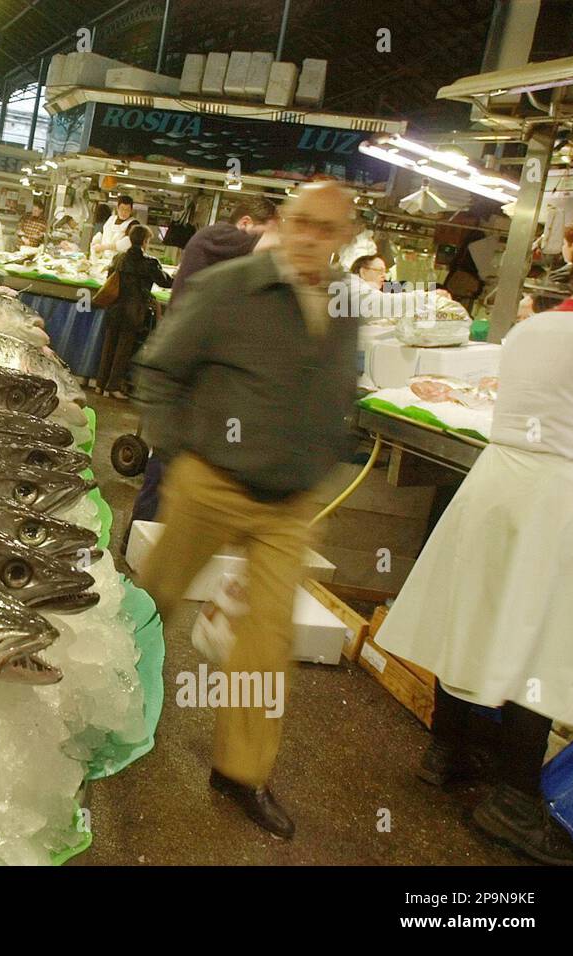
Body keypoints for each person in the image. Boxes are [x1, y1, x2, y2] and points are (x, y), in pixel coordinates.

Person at [133, 181, 360, 839]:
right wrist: (176, 449)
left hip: (288, 503)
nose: (312, 237)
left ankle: (240, 773)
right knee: (154, 601)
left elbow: (334, 387)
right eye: (302, 223)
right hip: (211, 480)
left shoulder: (346, 300)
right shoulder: (230, 286)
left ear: (345, 234)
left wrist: (317, 466)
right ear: (284, 222)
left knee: (265, 639)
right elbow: (160, 370)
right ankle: (103, 710)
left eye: (327, 228)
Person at [374, 259, 573, 866]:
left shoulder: (531, 331)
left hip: (500, 488)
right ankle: (515, 802)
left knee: (480, 615)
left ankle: (450, 750)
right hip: (561, 505)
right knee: (541, 642)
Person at [126, 195, 280, 535]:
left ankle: (151, 542)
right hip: (185, 379)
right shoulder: (214, 237)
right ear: (244, 225)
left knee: (183, 471)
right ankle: (137, 544)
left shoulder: (231, 261)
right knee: (165, 466)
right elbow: (273, 244)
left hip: (206, 381)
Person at [95, 224, 170, 399]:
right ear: (145, 241)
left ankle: (100, 385)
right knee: (123, 348)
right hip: (133, 310)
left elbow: (109, 279)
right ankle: (113, 387)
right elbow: (165, 282)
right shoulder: (150, 263)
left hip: (114, 307)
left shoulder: (118, 258)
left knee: (109, 346)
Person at [167, 196, 278, 303]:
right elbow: (273, 244)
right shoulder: (216, 235)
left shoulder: (232, 252)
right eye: (267, 232)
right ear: (245, 223)